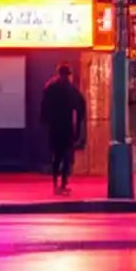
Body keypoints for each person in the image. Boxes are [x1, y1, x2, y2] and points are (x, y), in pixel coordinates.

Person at [41, 62, 86, 195]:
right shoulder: (70, 90)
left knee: (58, 156)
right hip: (64, 127)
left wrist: (45, 121)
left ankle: (58, 182)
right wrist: (78, 128)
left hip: (57, 127)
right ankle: (61, 182)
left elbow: (44, 108)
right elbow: (80, 108)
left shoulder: (51, 88)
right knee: (64, 156)